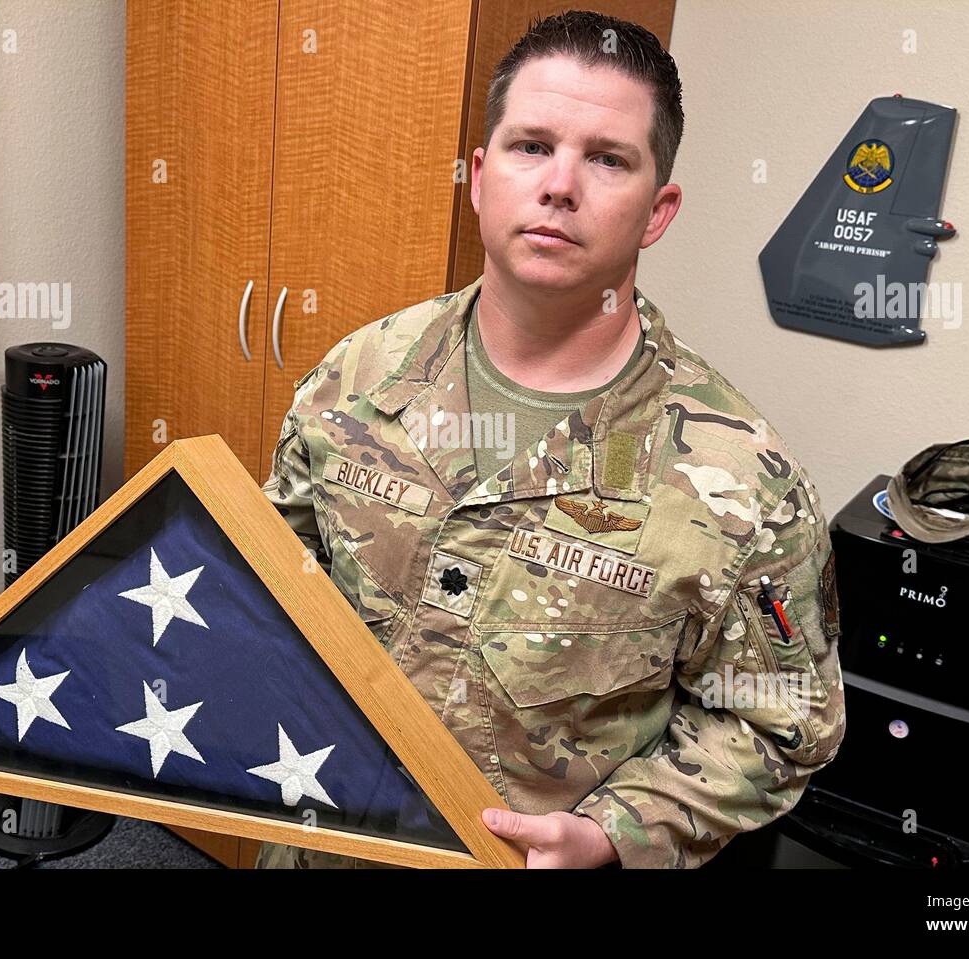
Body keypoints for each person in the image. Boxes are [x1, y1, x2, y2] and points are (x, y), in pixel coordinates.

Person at [254, 9, 845, 869]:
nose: (560, 184)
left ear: (657, 209)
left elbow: (781, 725)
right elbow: (271, 580)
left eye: (607, 159)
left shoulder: (741, 479)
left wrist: (618, 830)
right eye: (532, 146)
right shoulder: (360, 373)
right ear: (481, 176)